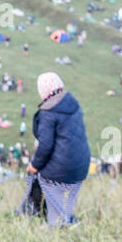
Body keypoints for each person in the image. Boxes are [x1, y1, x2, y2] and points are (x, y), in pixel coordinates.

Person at [17, 71, 90, 227]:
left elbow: (45, 146)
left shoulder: (48, 112)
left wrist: (34, 165)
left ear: (42, 90)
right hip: (82, 165)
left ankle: (41, 217)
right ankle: (51, 216)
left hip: (62, 167)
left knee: (36, 178)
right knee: (44, 183)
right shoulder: (73, 103)